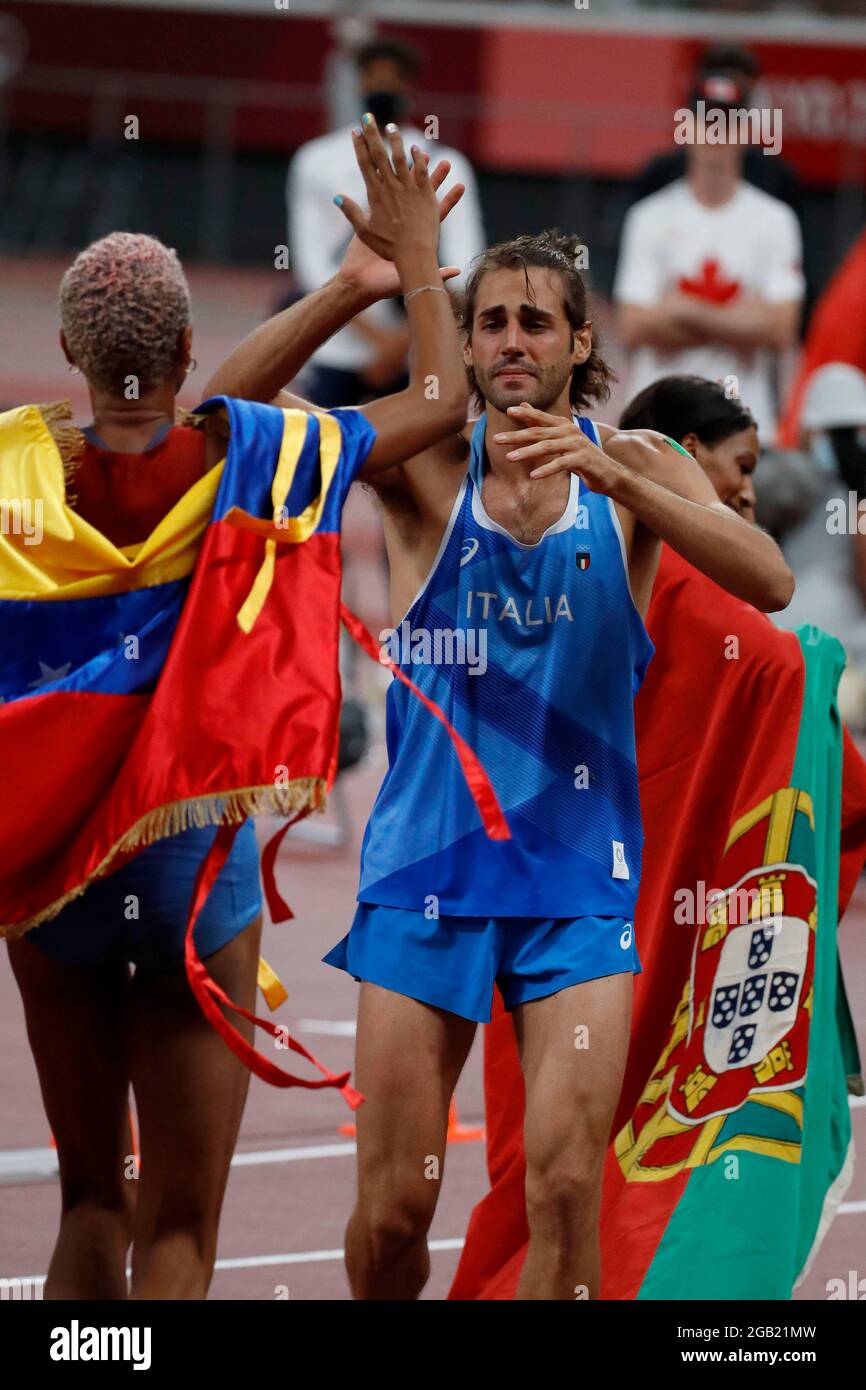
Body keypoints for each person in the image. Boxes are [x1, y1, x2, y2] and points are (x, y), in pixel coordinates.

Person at [1, 118, 468, 1300]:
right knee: (178, 1227)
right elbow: (434, 401)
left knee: (90, 1200)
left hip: (48, 875)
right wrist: (400, 267)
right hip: (187, 877)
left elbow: (205, 400)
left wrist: (343, 283)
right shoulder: (237, 465)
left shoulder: (11, 472)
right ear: (182, 347)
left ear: (66, 348)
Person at [309, 229, 794, 1301]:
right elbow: (233, 420)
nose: (511, 340)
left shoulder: (638, 467)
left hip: (577, 886)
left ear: (580, 341)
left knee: (566, 1189)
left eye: (536, 321)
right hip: (425, 876)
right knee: (392, 1212)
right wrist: (348, 291)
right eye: (489, 322)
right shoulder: (421, 467)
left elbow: (768, 580)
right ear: (465, 348)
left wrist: (615, 473)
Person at [448, 374, 866, 1302]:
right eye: (739, 466)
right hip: (600, 917)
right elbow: (783, 677)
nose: (749, 489)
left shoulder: (625, 562)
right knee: (587, 1163)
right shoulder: (683, 583)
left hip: (557, 905)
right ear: (678, 456)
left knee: (549, 1169)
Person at [287, 37, 484, 408]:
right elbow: (311, 264)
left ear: (411, 86)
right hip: (334, 345)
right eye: (372, 76)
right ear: (357, 82)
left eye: (394, 78)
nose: (382, 86)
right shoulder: (315, 160)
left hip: (417, 352)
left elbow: (465, 265)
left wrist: (400, 344)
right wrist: (376, 340)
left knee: (417, 445)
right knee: (328, 442)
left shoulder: (446, 163)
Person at [614, 79, 804, 440]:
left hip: (741, 420)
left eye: (729, 124)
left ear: (746, 132)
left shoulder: (775, 220)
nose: (717, 135)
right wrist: (742, 318)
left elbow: (782, 330)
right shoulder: (649, 216)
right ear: (687, 128)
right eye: (707, 121)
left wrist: (680, 309)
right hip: (658, 422)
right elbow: (633, 325)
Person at [629, 45, 802, 217]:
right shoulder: (659, 176)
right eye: (708, 119)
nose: (716, 132)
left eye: (727, 120)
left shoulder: (776, 181)